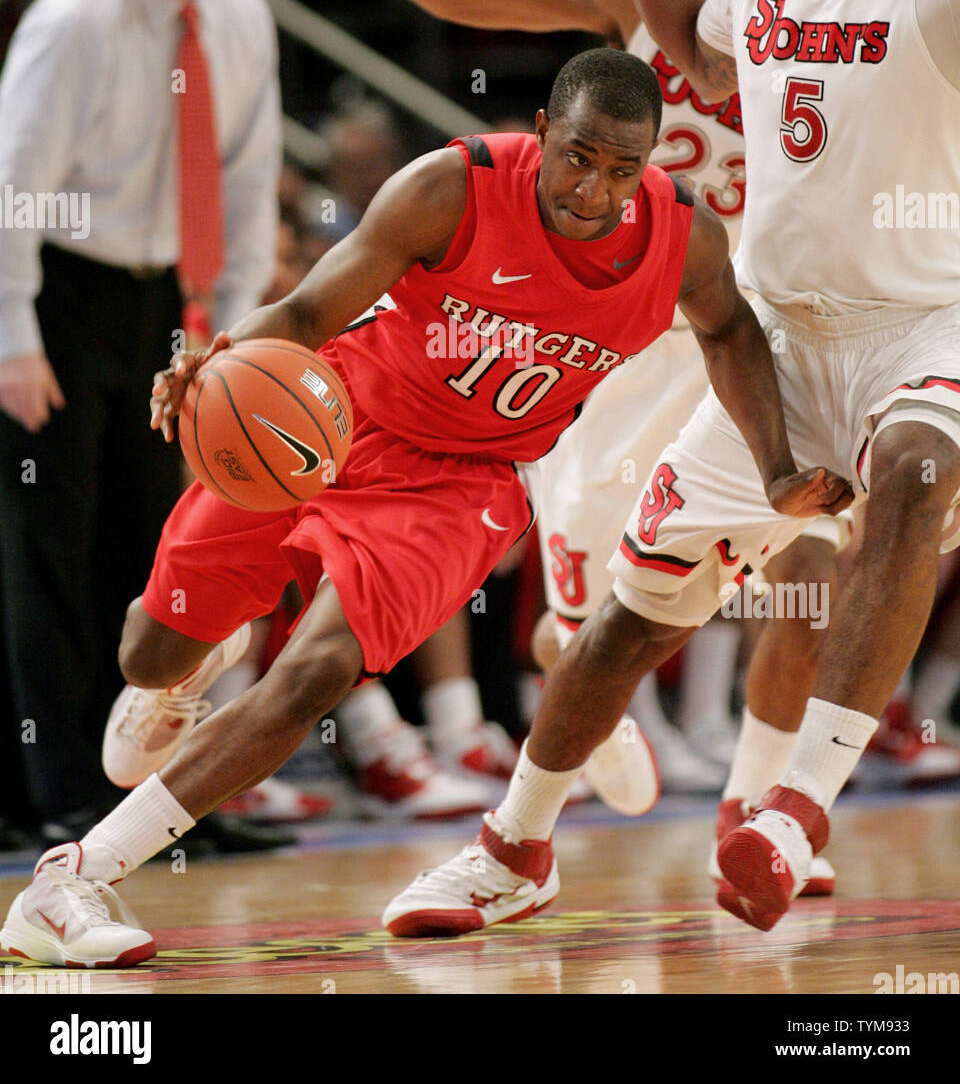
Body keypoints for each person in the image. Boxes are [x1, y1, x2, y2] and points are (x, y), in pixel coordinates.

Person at [0, 47, 850, 966]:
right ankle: (189, 664)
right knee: (150, 647)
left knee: (320, 668)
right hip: (332, 415)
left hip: (461, 482)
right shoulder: (450, 187)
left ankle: (74, 877)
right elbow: (312, 308)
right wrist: (215, 360)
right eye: (577, 157)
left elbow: (730, 331)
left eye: (620, 169)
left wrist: (775, 470)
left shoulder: (682, 241)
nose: (594, 190)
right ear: (541, 137)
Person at [381, 0, 960, 938]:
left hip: (921, 322)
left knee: (911, 475)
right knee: (630, 618)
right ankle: (514, 845)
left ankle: (792, 804)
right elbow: (698, 54)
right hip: (773, 338)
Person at [278, 0, 852, 829]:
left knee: (811, 562)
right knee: (589, 614)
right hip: (619, 340)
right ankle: (577, 703)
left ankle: (755, 805)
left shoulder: (843, 52)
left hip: (741, 336)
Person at [0, 0, 282, 847]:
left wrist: (242, 329)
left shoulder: (245, 15)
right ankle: (59, 789)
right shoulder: (75, 16)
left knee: (154, 556)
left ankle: (151, 803)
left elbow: (250, 186)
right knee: (50, 552)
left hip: (171, 299)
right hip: (58, 293)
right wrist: (12, 329)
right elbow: (14, 177)